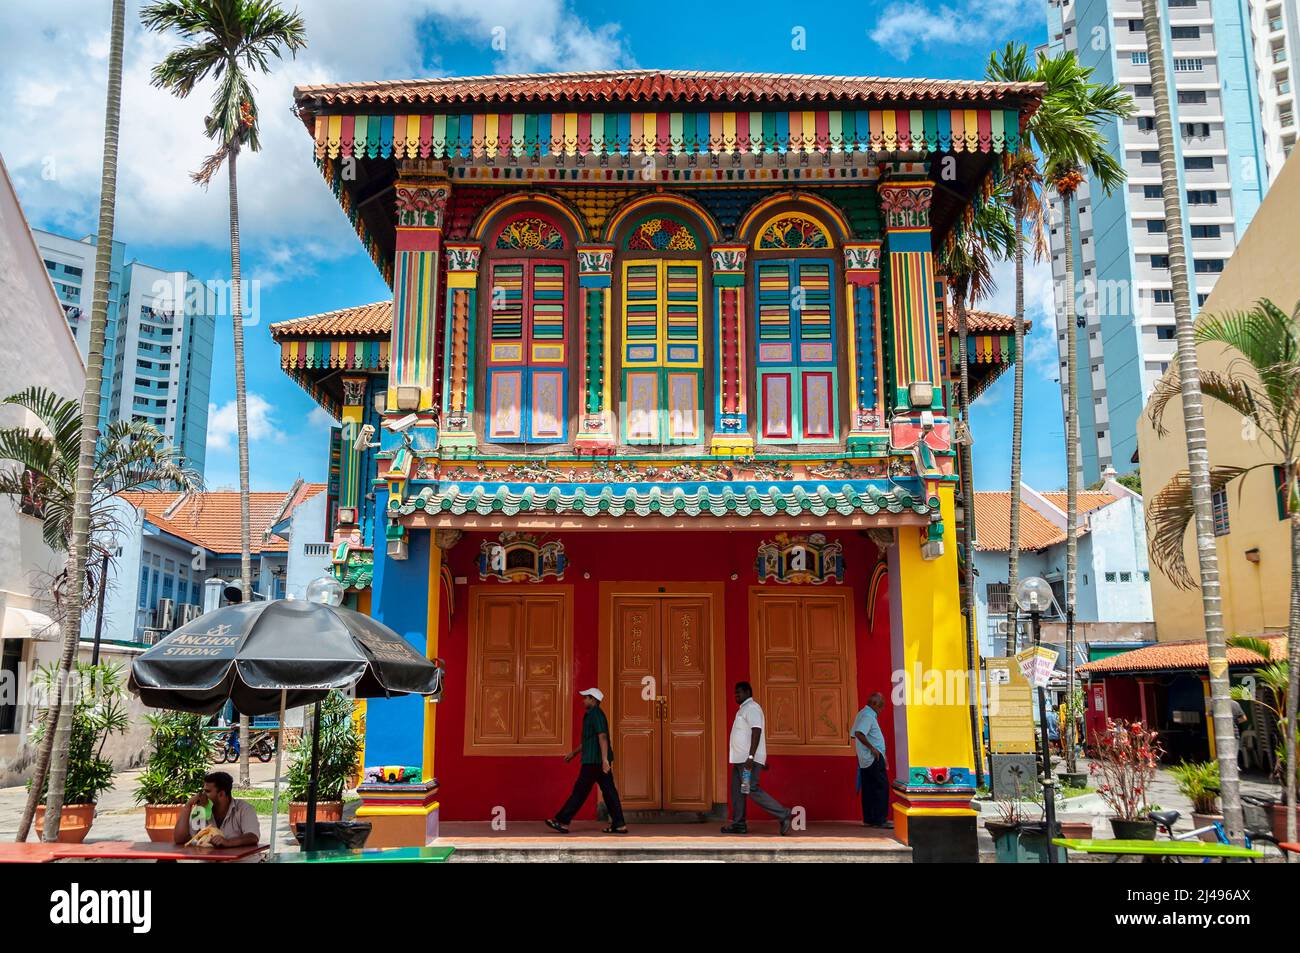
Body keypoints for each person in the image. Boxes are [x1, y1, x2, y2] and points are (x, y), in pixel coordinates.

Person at [546, 688, 628, 834]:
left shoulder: (596, 714)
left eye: (586, 698)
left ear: (593, 700)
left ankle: (562, 822)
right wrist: (574, 753)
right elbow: (590, 740)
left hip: (594, 761)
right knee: (609, 792)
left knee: (580, 791)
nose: (584, 700)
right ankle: (619, 824)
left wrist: (604, 760)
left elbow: (602, 737)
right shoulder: (591, 715)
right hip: (596, 760)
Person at [721, 681, 793, 835]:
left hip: (747, 762)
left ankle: (783, 814)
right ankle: (738, 824)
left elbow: (756, 732)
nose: (736, 695)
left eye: (739, 692)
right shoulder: (743, 709)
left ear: (747, 692)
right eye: (735, 692)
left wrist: (752, 757)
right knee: (738, 791)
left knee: (751, 789)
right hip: (740, 761)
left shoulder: (752, 708)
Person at [174, 771, 260, 847]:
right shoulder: (200, 809)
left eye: (207, 791)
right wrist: (188, 806)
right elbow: (180, 839)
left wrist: (228, 842)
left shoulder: (244, 809)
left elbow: (252, 837)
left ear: (221, 794)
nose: (202, 795)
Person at [852, 692, 891, 828]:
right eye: (881, 706)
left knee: (869, 789)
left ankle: (869, 819)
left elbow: (855, 734)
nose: (881, 710)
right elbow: (859, 733)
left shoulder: (862, 713)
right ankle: (880, 820)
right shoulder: (868, 716)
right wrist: (873, 748)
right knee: (881, 787)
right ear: (874, 704)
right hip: (873, 758)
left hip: (865, 759)